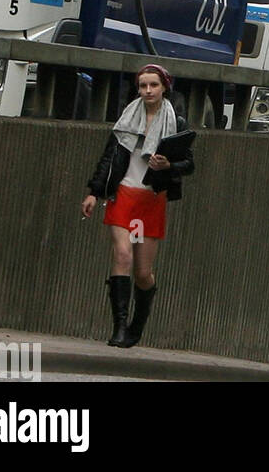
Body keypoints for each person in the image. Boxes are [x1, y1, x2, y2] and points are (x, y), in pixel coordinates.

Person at [80, 65, 194, 348]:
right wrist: (94, 192)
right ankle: (118, 326)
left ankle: (137, 325)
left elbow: (189, 164)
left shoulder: (175, 122)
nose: (147, 91)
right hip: (123, 195)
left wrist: (168, 164)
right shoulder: (127, 118)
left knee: (142, 273)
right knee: (122, 256)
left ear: (164, 87)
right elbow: (109, 156)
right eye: (143, 86)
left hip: (151, 199)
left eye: (153, 85)